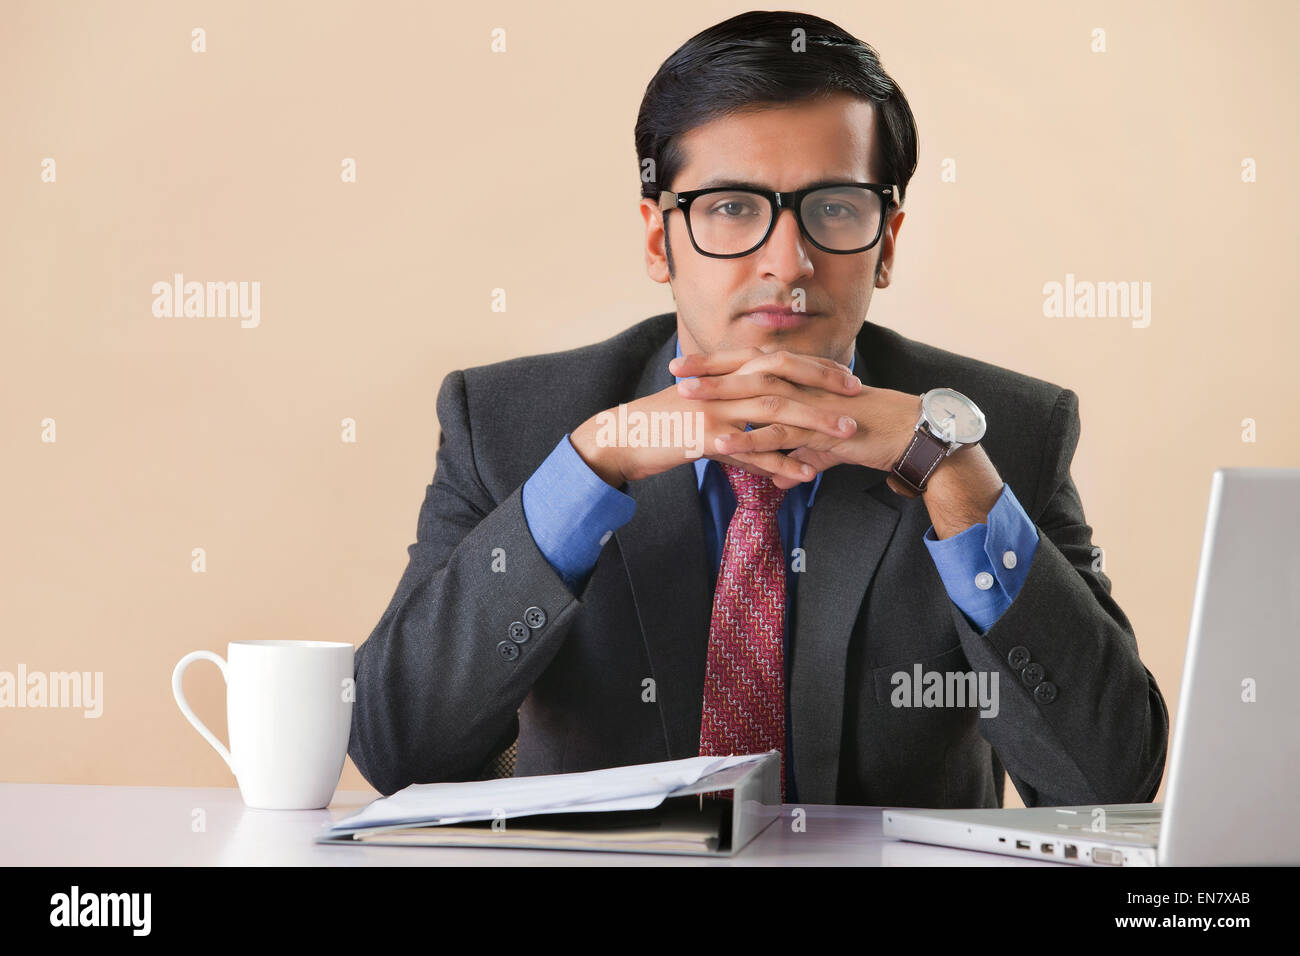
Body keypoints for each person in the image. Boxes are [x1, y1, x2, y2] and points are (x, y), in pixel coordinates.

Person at [348, 10, 1169, 808]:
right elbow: (398, 748)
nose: (788, 261)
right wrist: (593, 466)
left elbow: (1106, 787)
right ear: (656, 238)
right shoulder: (505, 423)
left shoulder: (1003, 432)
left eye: (836, 208)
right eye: (732, 207)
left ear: (886, 243)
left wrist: (948, 473)